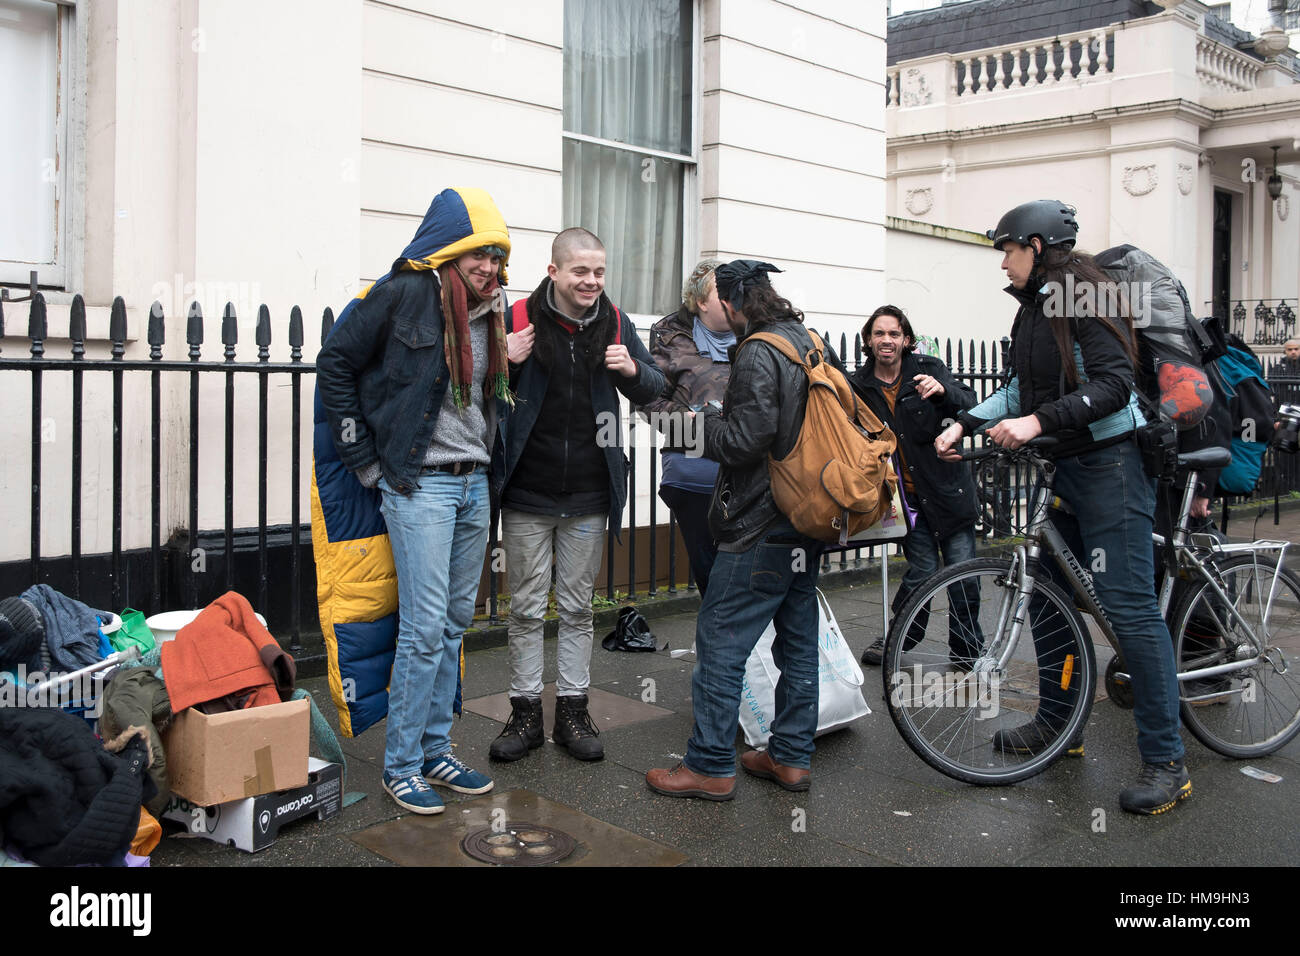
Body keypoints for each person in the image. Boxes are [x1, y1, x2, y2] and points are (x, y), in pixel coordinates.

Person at [934, 199, 1191, 816]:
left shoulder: (1088, 295)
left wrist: (1034, 422)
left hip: (1111, 467)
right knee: (1048, 595)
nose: (1003, 260)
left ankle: (1166, 762)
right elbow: (1023, 389)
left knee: (1129, 609)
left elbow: (1114, 385)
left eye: (1008, 248)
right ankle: (1059, 723)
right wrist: (965, 422)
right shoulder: (1033, 311)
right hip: (1068, 466)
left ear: (1039, 246)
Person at [316, 187, 510, 815]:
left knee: (453, 627)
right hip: (418, 484)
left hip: (474, 483)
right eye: (478, 255)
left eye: (497, 257)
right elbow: (336, 363)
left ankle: (434, 748)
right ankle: (401, 765)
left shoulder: (494, 313)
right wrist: (364, 461)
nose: (488, 268)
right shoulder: (402, 293)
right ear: (448, 251)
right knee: (424, 628)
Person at [646, 260, 832, 800]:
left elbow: (744, 442)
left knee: (721, 638)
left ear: (730, 302)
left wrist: (701, 422)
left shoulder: (757, 350)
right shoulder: (807, 339)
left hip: (761, 518)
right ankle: (791, 756)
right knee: (797, 641)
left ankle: (708, 765)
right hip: (808, 513)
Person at [490, 228, 665, 763]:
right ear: (554, 274)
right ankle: (523, 715)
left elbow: (655, 387)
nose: (592, 281)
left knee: (577, 608)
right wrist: (505, 360)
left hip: (590, 493)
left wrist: (632, 370)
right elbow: (475, 391)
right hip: (527, 491)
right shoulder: (517, 319)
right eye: (581, 272)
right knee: (523, 608)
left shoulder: (614, 322)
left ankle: (572, 711)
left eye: (599, 272)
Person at [848, 305, 981, 669]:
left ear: (906, 340)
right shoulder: (857, 387)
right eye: (879, 333)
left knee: (963, 577)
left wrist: (943, 393)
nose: (886, 340)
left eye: (894, 334)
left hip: (947, 494)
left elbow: (971, 404)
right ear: (868, 340)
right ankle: (900, 637)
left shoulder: (928, 370)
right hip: (906, 501)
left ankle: (967, 651)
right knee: (922, 572)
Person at [640, 258, 733, 597]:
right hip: (694, 469)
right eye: (722, 292)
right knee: (710, 569)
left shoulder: (757, 334)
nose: (733, 298)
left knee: (748, 570)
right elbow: (650, 401)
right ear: (701, 301)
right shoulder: (669, 335)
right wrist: (688, 421)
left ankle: (736, 642)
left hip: (751, 472)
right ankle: (720, 642)